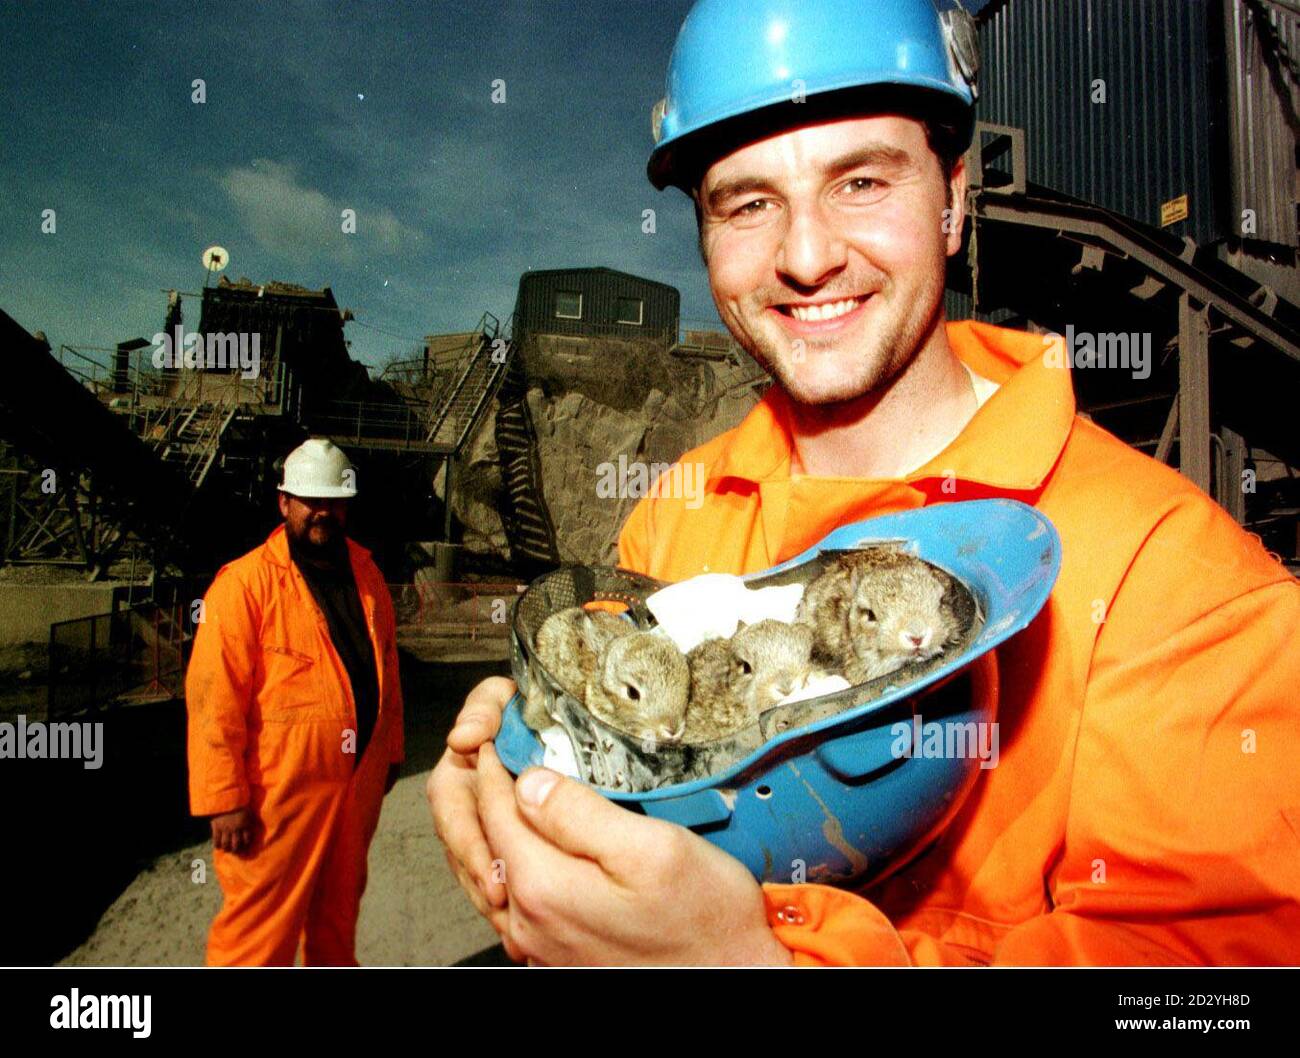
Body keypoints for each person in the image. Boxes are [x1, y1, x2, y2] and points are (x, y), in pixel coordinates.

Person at [428, 0, 1300, 966]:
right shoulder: (676, 519)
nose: (806, 257)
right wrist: (531, 798)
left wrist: (750, 963)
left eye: (862, 181)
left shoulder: (1177, 585)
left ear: (954, 198)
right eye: (749, 202)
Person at [187, 437, 403, 965]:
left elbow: (387, 673)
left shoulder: (368, 575)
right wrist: (223, 799)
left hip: (353, 792)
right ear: (284, 503)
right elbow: (213, 698)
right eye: (310, 500)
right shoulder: (244, 587)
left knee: (336, 923)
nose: (322, 511)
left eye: (333, 500)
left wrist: (389, 754)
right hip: (273, 802)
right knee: (258, 934)